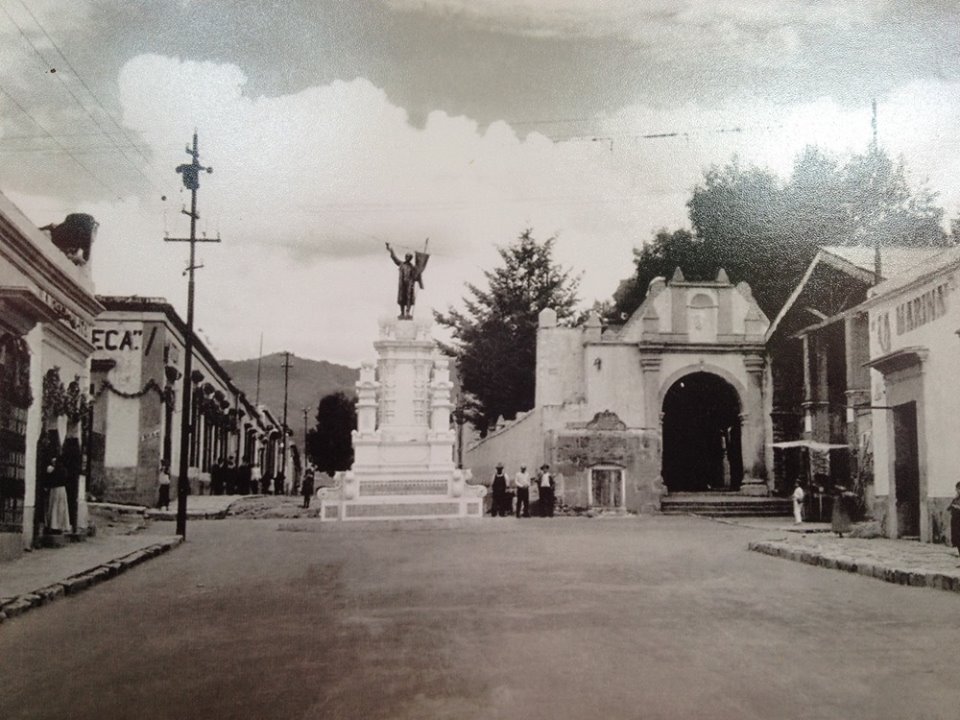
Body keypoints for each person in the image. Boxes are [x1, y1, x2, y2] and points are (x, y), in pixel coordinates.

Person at [385, 242, 427, 320]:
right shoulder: (401, 264)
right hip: (402, 284)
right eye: (406, 256)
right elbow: (394, 258)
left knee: (409, 299)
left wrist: (420, 282)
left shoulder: (413, 267)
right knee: (401, 298)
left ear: (410, 258)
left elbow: (417, 274)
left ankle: (408, 313)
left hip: (409, 285)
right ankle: (402, 313)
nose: (407, 258)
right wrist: (390, 249)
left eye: (409, 257)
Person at [45, 456, 71, 533]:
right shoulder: (64, 470)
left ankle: (54, 525)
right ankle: (60, 525)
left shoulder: (53, 470)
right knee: (61, 507)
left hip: (55, 489)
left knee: (55, 506)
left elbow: (50, 478)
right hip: (62, 489)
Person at [948, 481, 960, 562]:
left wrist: (958, 508)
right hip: (955, 522)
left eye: (959, 489)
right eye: (957, 489)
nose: (957, 490)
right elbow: (949, 508)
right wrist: (952, 506)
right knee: (957, 541)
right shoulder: (955, 499)